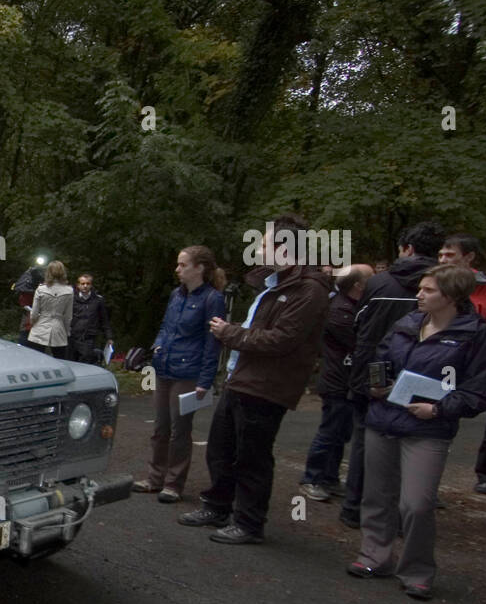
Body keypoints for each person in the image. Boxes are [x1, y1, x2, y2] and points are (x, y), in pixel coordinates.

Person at [348, 264, 486, 599]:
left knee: (416, 503)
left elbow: (482, 390)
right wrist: (375, 385)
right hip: (384, 418)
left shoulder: (477, 335)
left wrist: (439, 409)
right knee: (376, 495)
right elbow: (381, 358)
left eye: (428, 290)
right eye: (420, 288)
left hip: (428, 428)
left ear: (451, 296)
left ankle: (417, 570)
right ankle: (375, 556)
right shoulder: (407, 323)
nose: (419, 295)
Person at [179, 214, 331, 544]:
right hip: (242, 377)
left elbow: (281, 340)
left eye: (264, 244)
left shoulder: (309, 290)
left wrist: (229, 333)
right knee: (221, 447)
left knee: (252, 456)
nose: (258, 249)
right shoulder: (273, 283)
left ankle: (249, 523)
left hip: (267, 385)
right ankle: (217, 506)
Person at [340, 221, 445, 527]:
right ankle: (399, 514)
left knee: (365, 439)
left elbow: (358, 325)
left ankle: (354, 507)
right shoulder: (446, 288)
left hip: (374, 372)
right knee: (415, 443)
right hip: (424, 375)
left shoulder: (380, 283)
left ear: (407, 249)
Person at [133, 246, 227, 503]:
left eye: (183, 265)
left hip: (189, 371)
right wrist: (157, 345)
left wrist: (206, 380)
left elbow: (213, 342)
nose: (177, 269)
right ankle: (154, 478)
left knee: (180, 430)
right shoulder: (176, 294)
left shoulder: (212, 299)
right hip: (165, 366)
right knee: (160, 427)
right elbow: (166, 325)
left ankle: (173, 483)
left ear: (200, 268)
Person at [299, 265, 373, 501]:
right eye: (370, 278)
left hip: (347, 380)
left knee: (341, 432)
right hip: (338, 381)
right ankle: (311, 478)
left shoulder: (354, 307)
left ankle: (329, 477)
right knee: (330, 431)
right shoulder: (340, 311)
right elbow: (359, 343)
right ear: (358, 285)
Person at [438, 234, 486, 493]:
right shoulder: (433, 284)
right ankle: (429, 480)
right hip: (441, 359)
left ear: (469, 257)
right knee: (437, 417)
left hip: (480, 360)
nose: (443, 259)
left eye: (449, 255)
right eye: (440, 255)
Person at [27, 260, 73, 358]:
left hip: (40, 327)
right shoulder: (69, 291)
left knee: (36, 359)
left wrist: (33, 323)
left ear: (48, 272)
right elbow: (68, 316)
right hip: (58, 328)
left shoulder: (41, 289)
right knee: (59, 360)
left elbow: (34, 313)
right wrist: (67, 331)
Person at [67, 273, 114, 364]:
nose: (85, 286)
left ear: (91, 285)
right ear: (78, 285)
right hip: (72, 337)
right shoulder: (72, 299)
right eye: (83, 283)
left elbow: (104, 320)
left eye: (87, 284)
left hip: (88, 338)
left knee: (85, 362)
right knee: (71, 362)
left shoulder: (98, 300)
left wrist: (109, 337)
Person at [13, 265, 44, 346]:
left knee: (37, 345)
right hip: (28, 320)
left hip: (40, 323)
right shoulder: (25, 288)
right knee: (24, 339)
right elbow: (23, 303)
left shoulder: (43, 287)